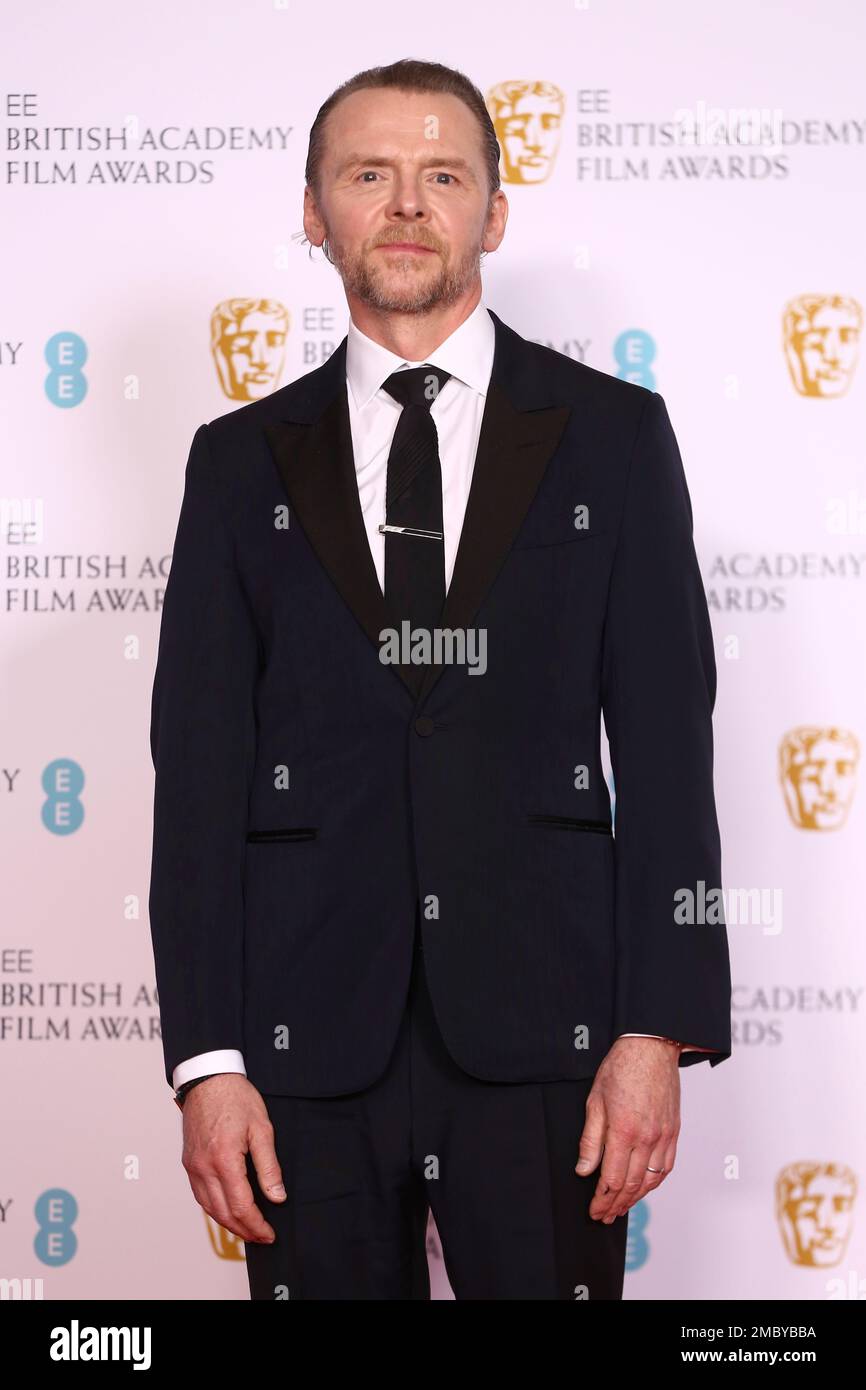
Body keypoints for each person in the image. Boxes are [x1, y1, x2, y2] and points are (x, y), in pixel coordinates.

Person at [148, 58, 732, 1301]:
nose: (406, 206)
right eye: (369, 176)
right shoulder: (234, 462)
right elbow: (195, 782)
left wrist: (655, 1029)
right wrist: (207, 1059)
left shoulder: (615, 438)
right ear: (314, 211)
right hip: (304, 1046)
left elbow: (671, 757)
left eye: (442, 176)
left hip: (550, 1041)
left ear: (492, 213)